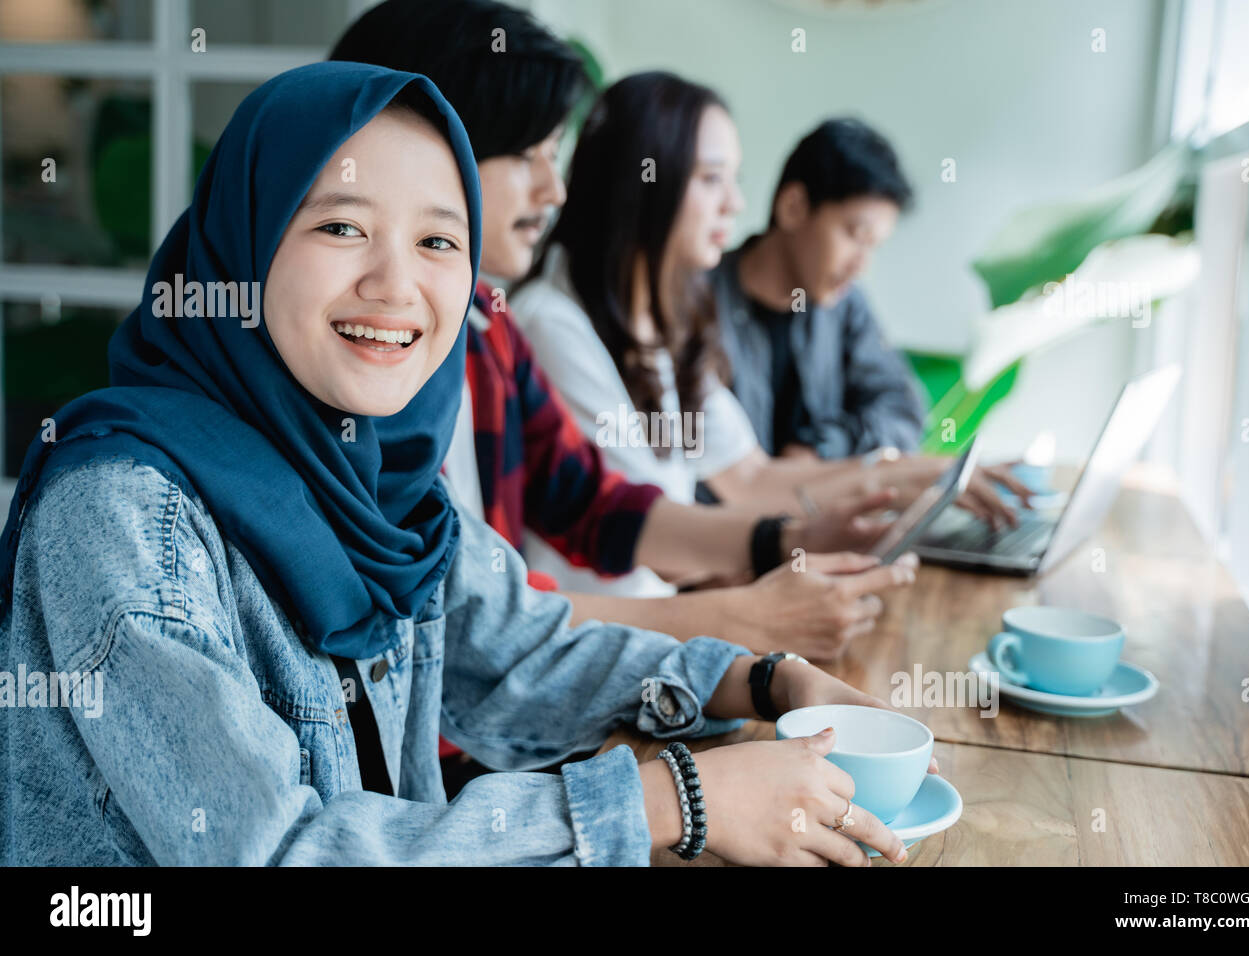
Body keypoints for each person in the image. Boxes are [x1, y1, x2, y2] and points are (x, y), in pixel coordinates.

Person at [0, 61, 934, 867]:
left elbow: (527, 648)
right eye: (339, 228)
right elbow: (283, 852)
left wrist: (764, 681)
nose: (396, 285)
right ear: (242, 243)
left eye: (439, 240)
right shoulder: (121, 515)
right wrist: (673, 802)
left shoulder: (380, 472)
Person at [510, 72, 1033, 600]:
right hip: (631, 640)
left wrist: (918, 475)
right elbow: (657, 540)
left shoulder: (665, 321)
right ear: (642, 180)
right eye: (712, 179)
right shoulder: (554, 326)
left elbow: (751, 477)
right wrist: (797, 539)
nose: (735, 203)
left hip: (672, 627)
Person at [710, 118, 927, 460]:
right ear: (793, 207)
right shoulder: (696, 301)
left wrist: (819, 448)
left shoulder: (846, 305)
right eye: (856, 236)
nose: (861, 264)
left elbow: (902, 409)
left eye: (874, 247)